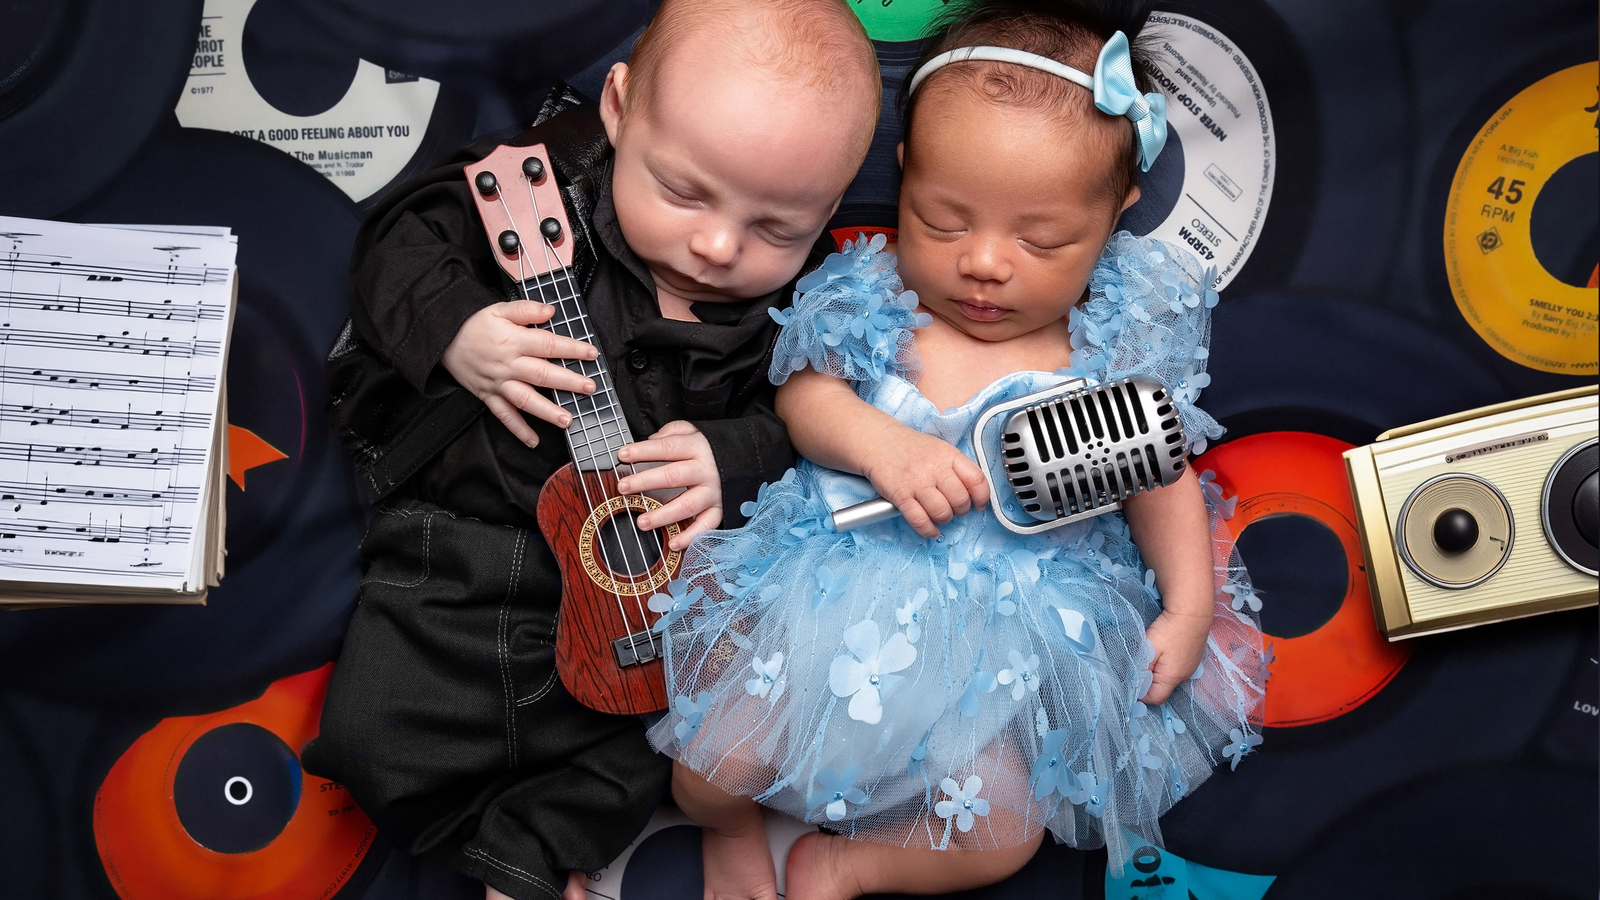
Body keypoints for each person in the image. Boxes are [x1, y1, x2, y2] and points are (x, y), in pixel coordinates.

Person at [645, 2, 1269, 898]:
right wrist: (880, 444)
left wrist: (1189, 606)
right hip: (829, 602)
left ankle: (846, 865)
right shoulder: (878, 299)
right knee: (710, 766)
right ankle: (729, 825)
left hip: (1006, 648)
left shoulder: (1108, 345)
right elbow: (805, 397)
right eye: (942, 220)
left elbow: (1158, 477)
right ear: (904, 173)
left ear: (1115, 216)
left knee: (1004, 833)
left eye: (1041, 240)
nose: (984, 263)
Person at [298, 3, 882, 899]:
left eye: (777, 229)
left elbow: (815, 419)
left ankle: (525, 854)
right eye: (684, 192)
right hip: (466, 552)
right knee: (372, 741)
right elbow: (398, 241)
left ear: (830, 207)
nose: (718, 245)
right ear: (618, 108)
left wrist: (728, 458)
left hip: (650, 590)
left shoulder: (806, 303)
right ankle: (484, 834)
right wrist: (460, 330)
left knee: (670, 738)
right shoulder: (539, 185)